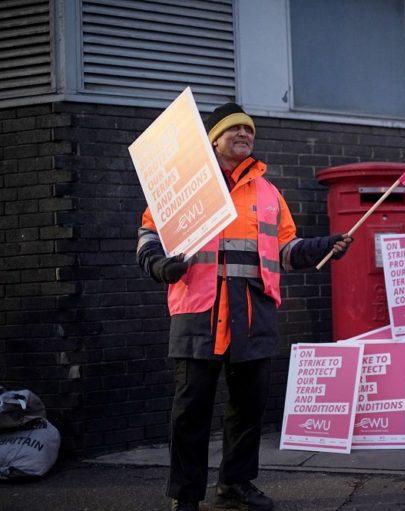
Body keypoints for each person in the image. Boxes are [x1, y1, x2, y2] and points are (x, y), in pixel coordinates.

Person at [136, 103, 353, 511]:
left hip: (253, 315)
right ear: (214, 138)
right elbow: (150, 233)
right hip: (198, 313)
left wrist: (323, 246)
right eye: (234, 129)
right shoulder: (186, 184)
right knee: (190, 413)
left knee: (247, 411)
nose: (244, 135)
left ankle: (234, 488)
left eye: (248, 130)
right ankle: (185, 497)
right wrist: (157, 264)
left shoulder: (269, 193)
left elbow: (285, 251)